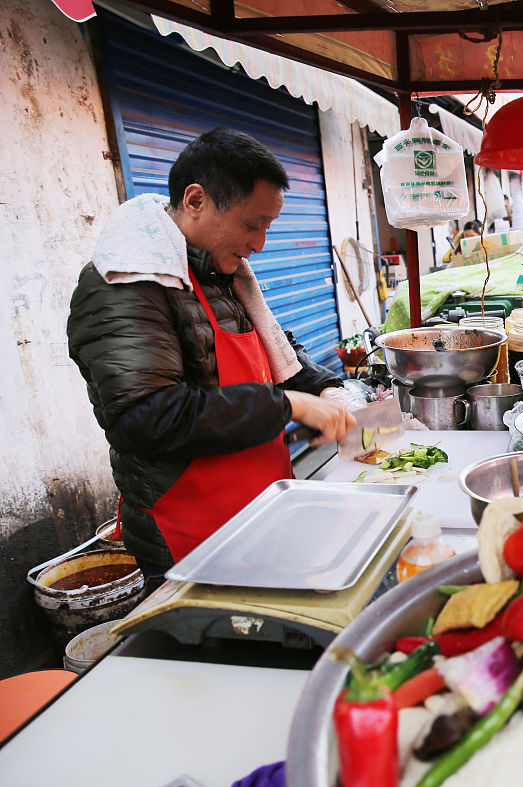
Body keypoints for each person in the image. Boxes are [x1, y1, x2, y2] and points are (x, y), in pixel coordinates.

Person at [67, 128, 356, 584]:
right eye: (251, 224)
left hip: (264, 505)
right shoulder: (126, 283)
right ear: (196, 200)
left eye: (267, 227)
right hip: (189, 532)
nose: (259, 244)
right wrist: (289, 406)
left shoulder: (224, 274)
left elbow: (274, 348)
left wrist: (322, 386)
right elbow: (147, 417)